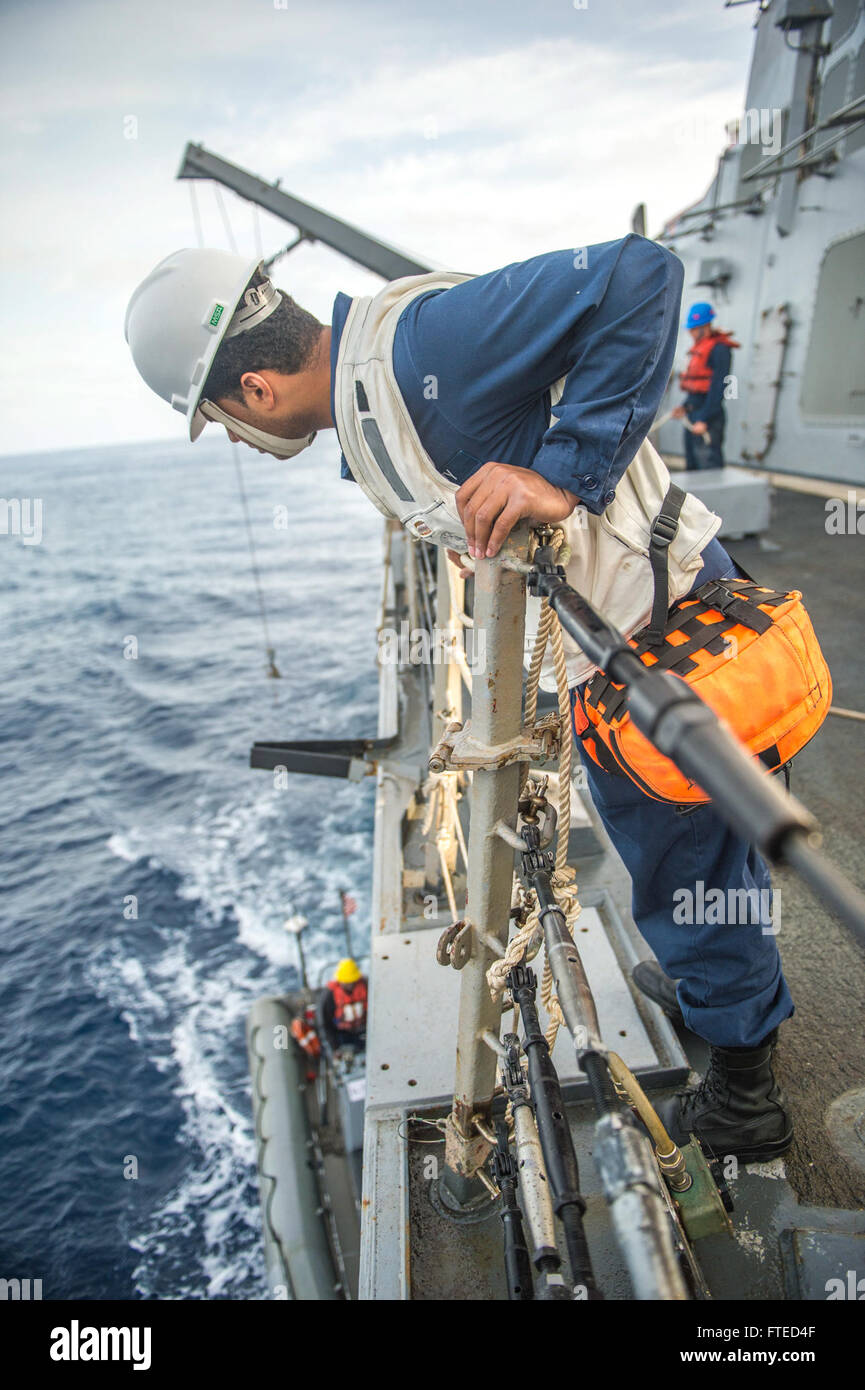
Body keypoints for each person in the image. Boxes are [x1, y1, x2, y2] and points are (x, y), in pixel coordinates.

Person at [125, 239, 793, 1161]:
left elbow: (642, 273)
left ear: (256, 390)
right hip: (614, 651)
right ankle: (723, 1002)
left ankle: (745, 1101)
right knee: (683, 866)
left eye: (224, 422)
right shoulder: (374, 394)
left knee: (692, 879)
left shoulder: (420, 349)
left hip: (664, 642)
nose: (238, 441)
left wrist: (561, 473)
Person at [673, 301, 739, 470]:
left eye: (694, 328)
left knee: (708, 467)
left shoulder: (720, 350)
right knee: (692, 466)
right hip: (693, 414)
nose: (691, 332)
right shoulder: (699, 348)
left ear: (706, 326)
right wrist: (684, 407)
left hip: (709, 416)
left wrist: (704, 419)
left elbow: (718, 389)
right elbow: (696, 392)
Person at [317, 959, 367, 1055]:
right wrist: (335, 1048)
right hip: (343, 1034)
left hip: (363, 1030)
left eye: (352, 981)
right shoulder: (329, 995)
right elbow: (324, 1024)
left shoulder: (366, 985)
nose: (350, 984)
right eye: (347, 982)